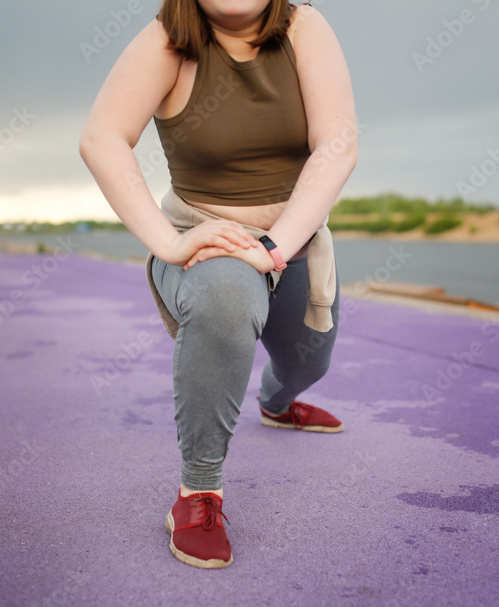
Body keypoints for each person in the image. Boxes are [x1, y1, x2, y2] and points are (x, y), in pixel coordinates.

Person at [80, 0, 357, 569]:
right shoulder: (168, 41)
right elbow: (102, 138)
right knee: (226, 297)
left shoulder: (305, 26)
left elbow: (338, 145)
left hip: (293, 244)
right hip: (205, 244)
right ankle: (198, 492)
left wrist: (276, 250)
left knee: (310, 364)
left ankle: (278, 402)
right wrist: (169, 243)